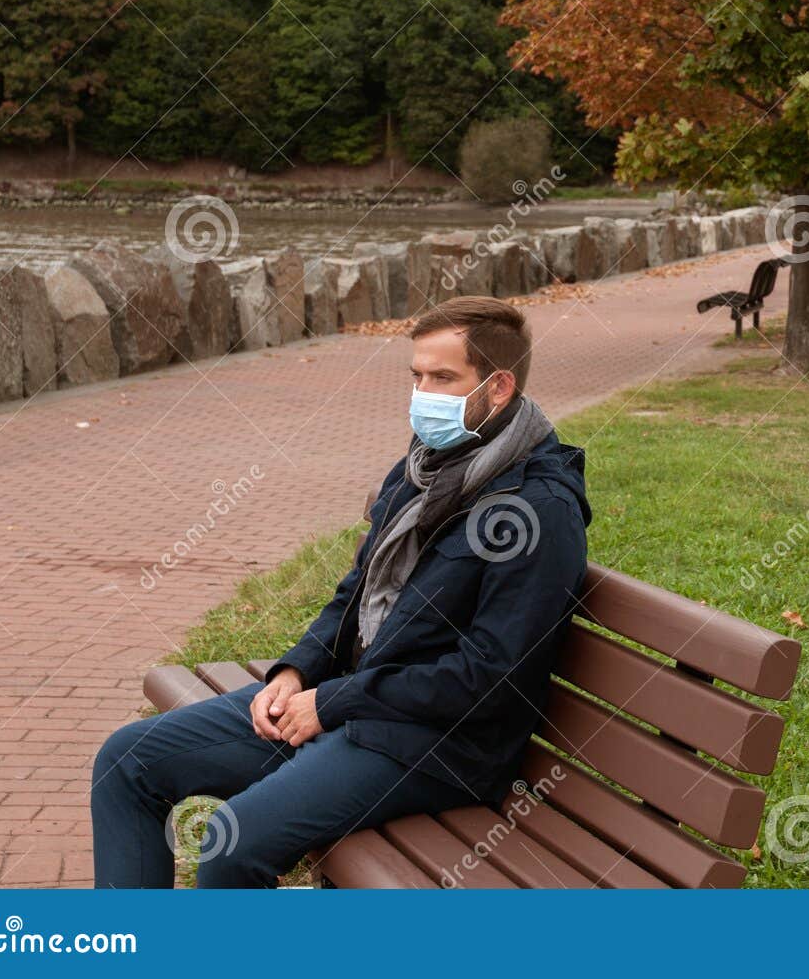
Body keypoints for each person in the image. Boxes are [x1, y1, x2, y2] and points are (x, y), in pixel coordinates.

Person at [90, 296, 590, 887]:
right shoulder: (427, 467)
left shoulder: (537, 509)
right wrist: (296, 671)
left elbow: (488, 679)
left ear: (499, 388)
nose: (422, 394)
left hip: (438, 746)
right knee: (127, 762)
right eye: (417, 376)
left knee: (233, 842)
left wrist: (332, 703)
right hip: (355, 706)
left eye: (442, 378)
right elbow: (355, 593)